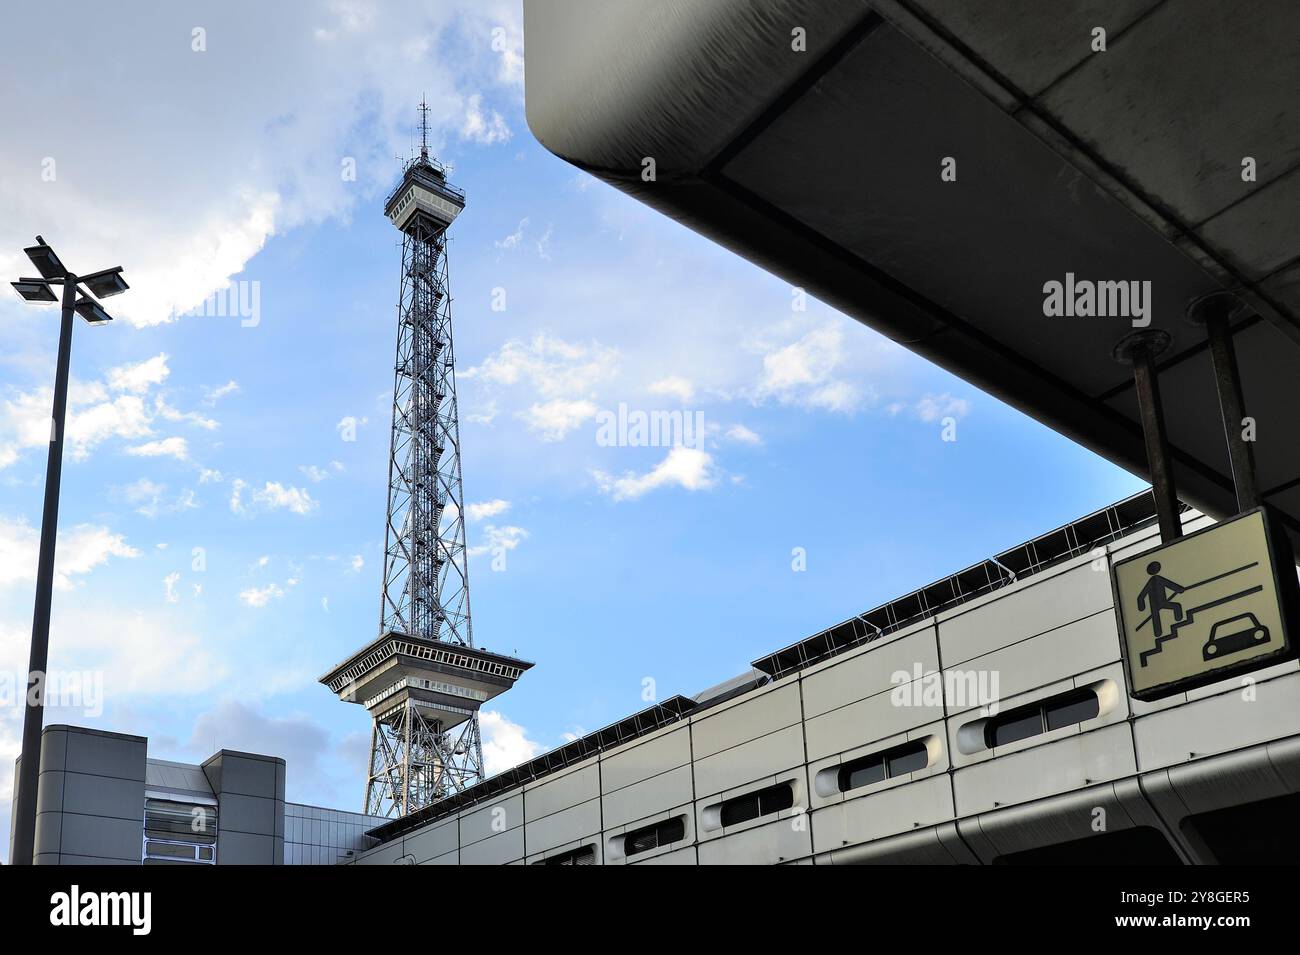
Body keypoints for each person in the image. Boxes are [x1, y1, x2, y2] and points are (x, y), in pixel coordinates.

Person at [1137, 561, 1185, 639]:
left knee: (1176, 607)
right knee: (1175, 607)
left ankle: (1178, 620)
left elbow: (1169, 584)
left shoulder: (1158, 579)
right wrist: (1141, 605)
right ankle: (1158, 632)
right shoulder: (1153, 581)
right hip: (1156, 604)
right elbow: (1142, 595)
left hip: (1161, 602)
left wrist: (1179, 589)